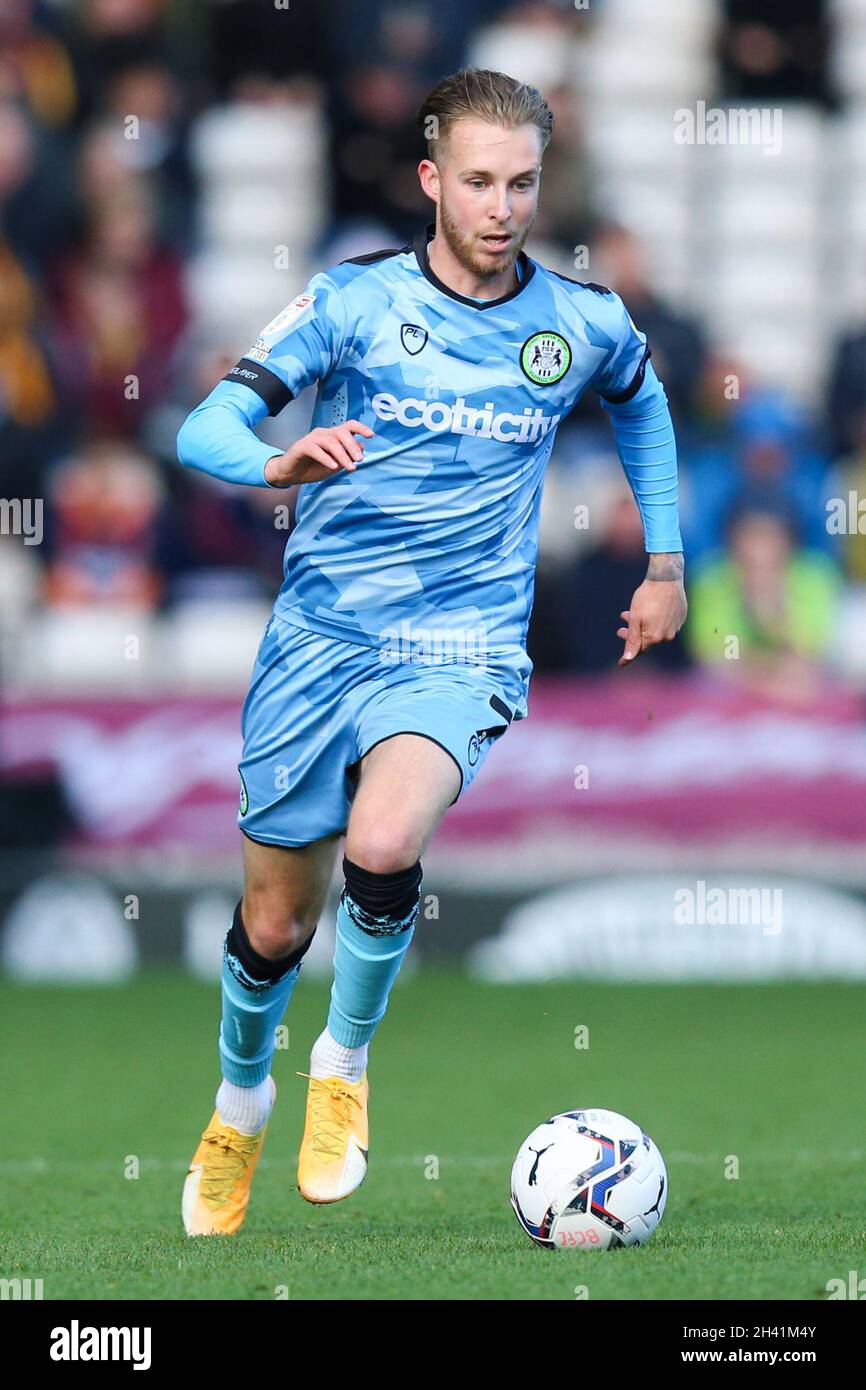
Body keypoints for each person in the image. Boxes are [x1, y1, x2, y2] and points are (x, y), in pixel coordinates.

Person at [175, 67, 687, 1236]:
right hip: (318, 641)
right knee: (271, 927)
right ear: (430, 181)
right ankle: (239, 1098)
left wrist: (663, 566)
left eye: (520, 182)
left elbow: (644, 400)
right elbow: (200, 419)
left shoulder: (575, 320)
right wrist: (273, 460)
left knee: (385, 835)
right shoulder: (350, 305)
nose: (501, 205)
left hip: (457, 643)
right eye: (477, 181)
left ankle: (342, 1068)